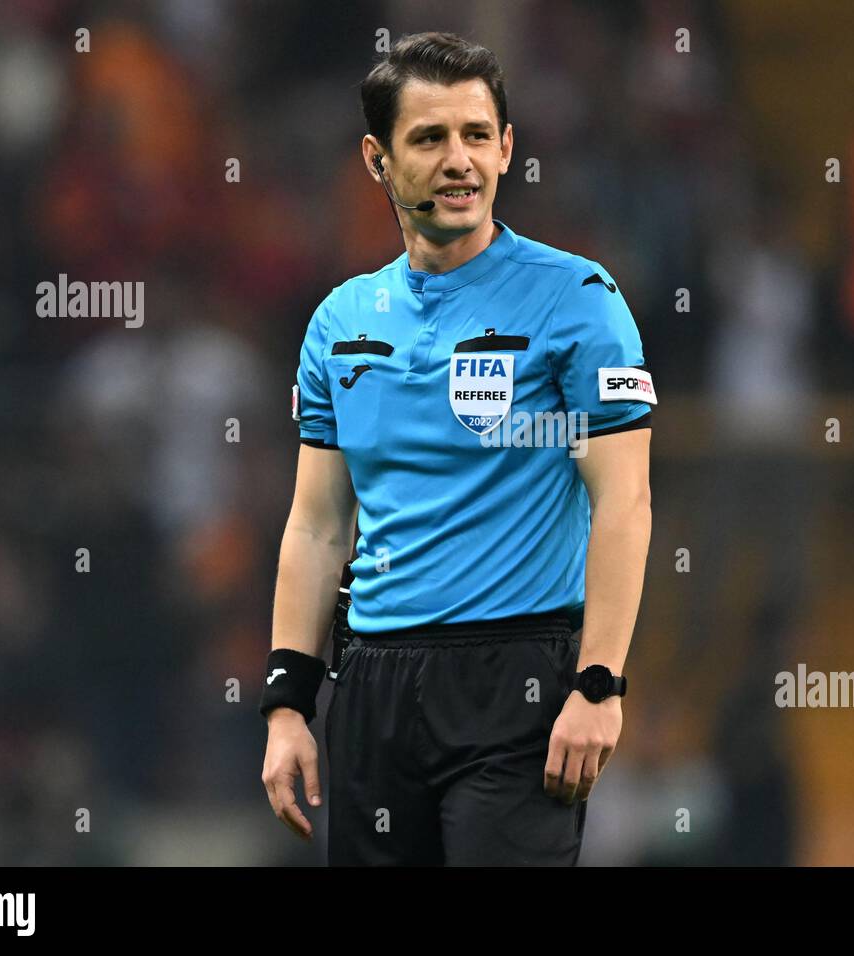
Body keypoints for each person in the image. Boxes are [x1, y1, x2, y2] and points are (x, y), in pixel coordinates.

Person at [258, 31, 655, 865]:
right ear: (378, 158)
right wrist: (289, 704)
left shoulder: (578, 299)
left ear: (508, 148)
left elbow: (624, 501)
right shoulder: (340, 322)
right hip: (371, 684)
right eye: (429, 138)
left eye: (477, 135)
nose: (459, 160)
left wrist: (599, 683)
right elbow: (319, 524)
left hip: (518, 679)